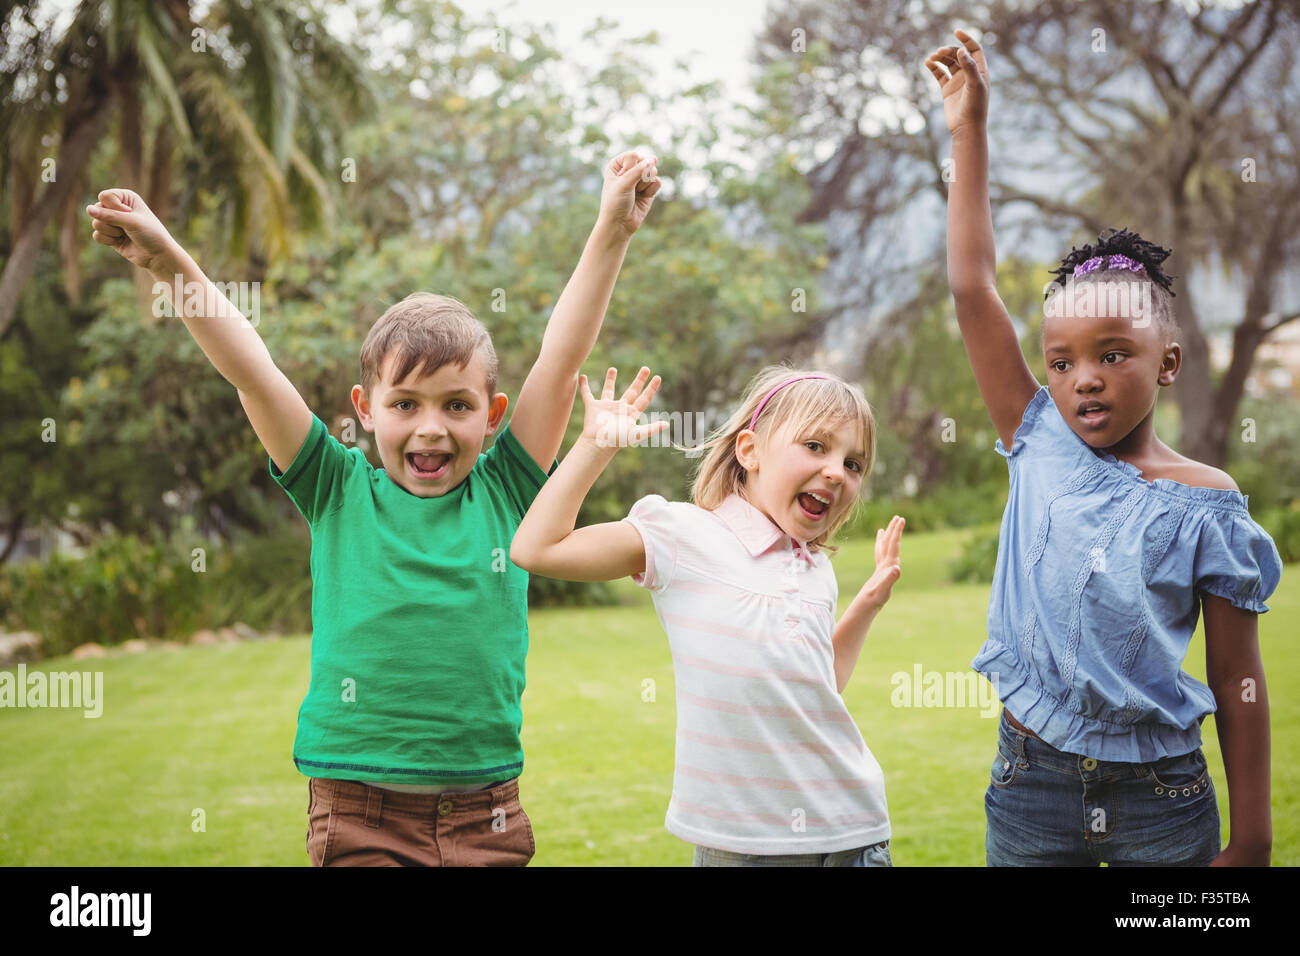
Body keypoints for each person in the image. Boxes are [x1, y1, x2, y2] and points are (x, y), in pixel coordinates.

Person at [86, 151, 662, 866]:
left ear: (493, 416)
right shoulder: (335, 486)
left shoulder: (509, 489)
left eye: (456, 405)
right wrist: (170, 264)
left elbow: (561, 357)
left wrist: (613, 227)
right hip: (360, 811)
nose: (429, 428)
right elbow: (251, 369)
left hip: (486, 810)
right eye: (405, 405)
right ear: (365, 410)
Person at [926, 29, 1282, 865]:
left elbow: (1240, 679)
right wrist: (968, 128)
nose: (1083, 379)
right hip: (1031, 784)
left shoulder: (1209, 502)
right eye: (1062, 362)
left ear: (1168, 362)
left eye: (1112, 355)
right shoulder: (1035, 433)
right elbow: (971, 284)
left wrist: (1256, 833)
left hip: (1165, 798)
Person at [510, 364, 905, 866]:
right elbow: (537, 549)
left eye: (854, 463)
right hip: (742, 845)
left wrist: (867, 603)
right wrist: (595, 447)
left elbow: (820, 684)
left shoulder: (815, 570)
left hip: (854, 832)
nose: (836, 471)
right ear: (749, 451)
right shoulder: (681, 534)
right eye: (815, 446)